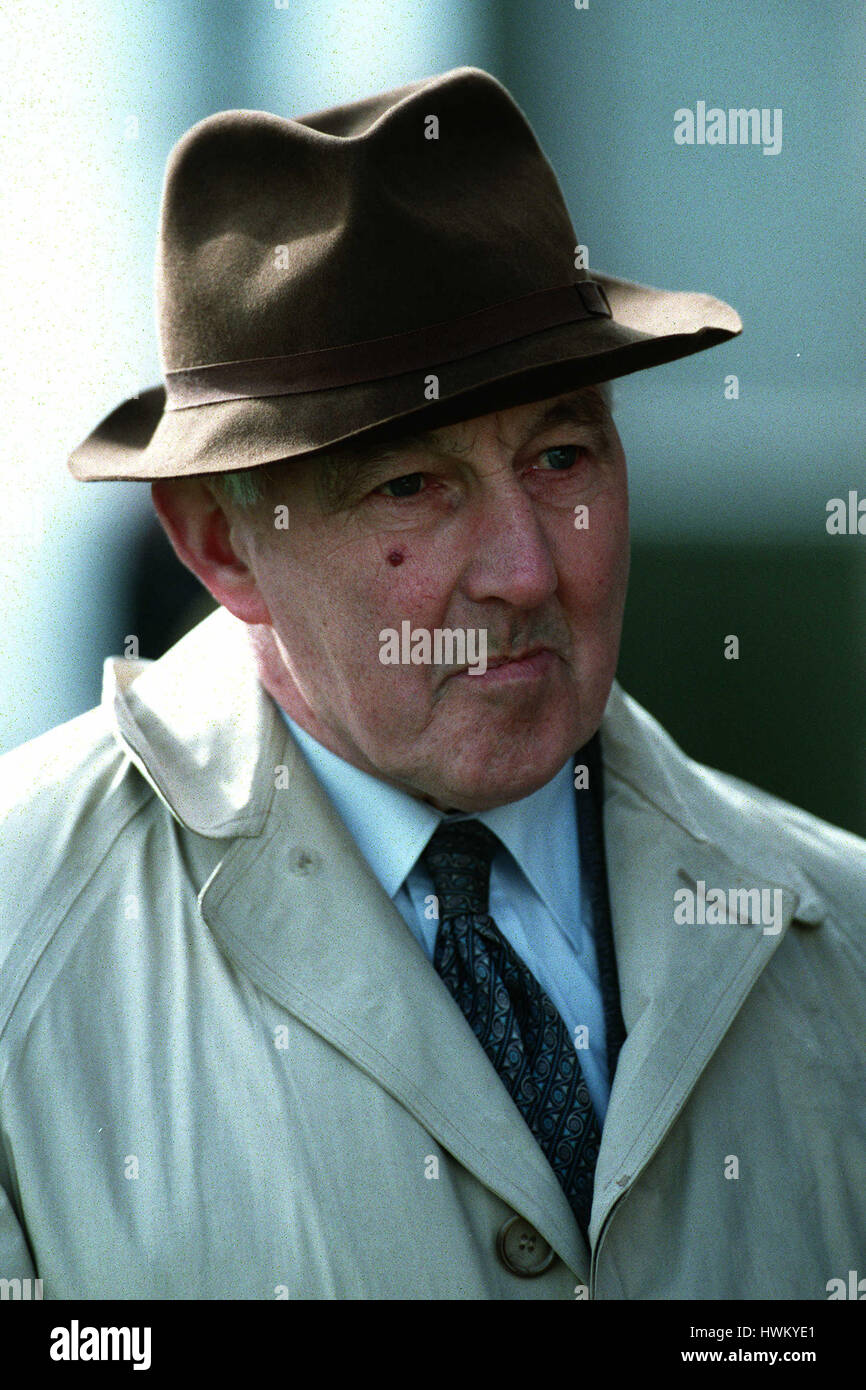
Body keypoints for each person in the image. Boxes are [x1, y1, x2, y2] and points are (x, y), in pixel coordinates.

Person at [1, 67, 863, 1302]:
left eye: (561, 454)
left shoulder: (840, 943)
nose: (522, 568)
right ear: (219, 541)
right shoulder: (19, 943)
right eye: (409, 485)